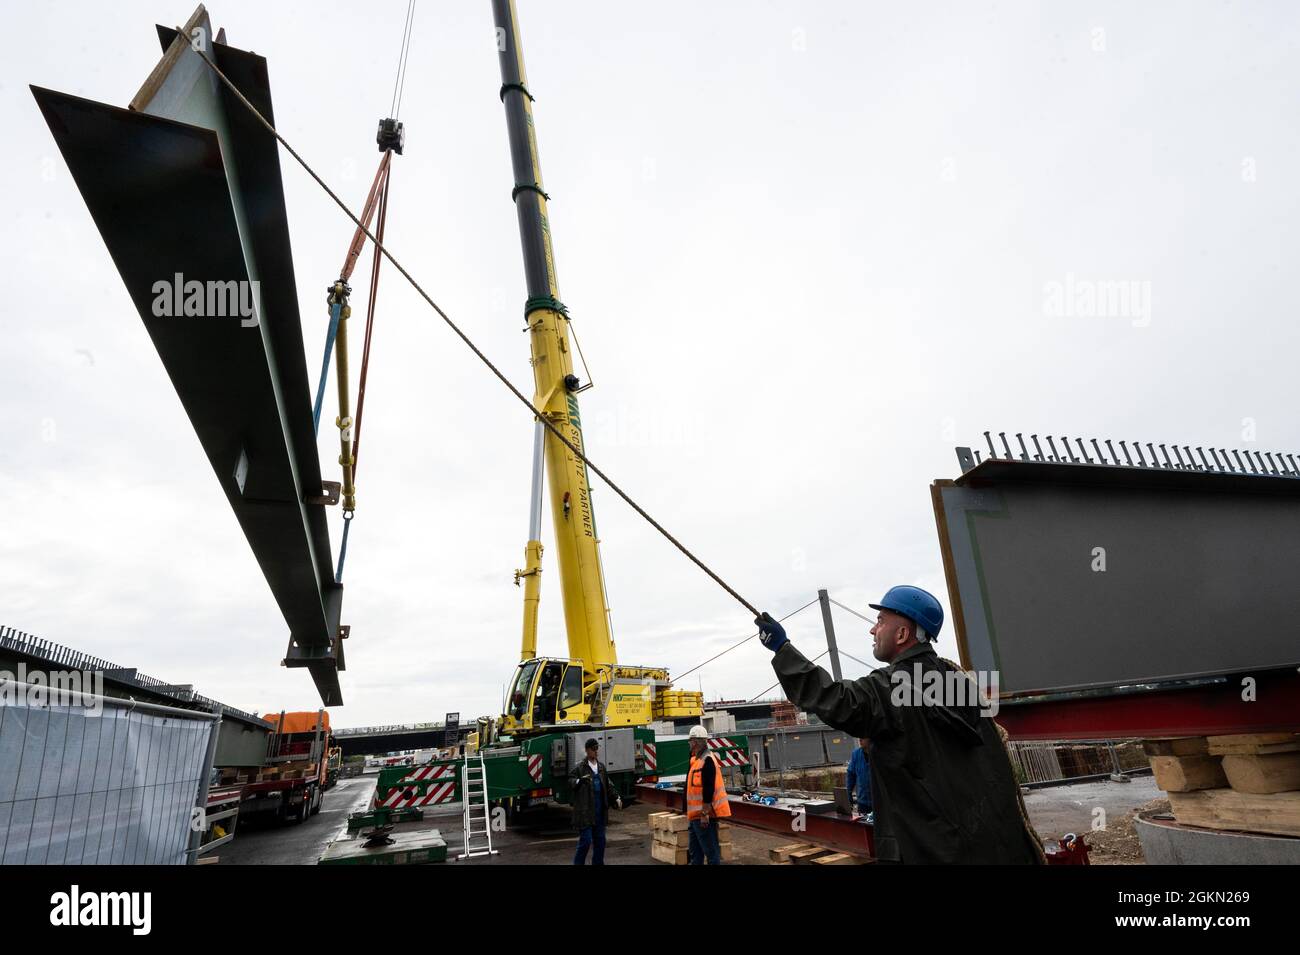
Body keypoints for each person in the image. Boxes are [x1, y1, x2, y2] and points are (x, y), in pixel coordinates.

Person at [755, 585, 1044, 865]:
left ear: (903, 633)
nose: (872, 629)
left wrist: (782, 649)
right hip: (992, 846)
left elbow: (835, 699)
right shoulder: (961, 684)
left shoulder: (891, 687)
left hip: (931, 851)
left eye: (880, 621)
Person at [683, 725, 731, 864]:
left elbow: (708, 788)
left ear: (696, 742)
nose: (689, 744)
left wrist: (705, 814)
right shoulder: (696, 761)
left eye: (690, 741)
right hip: (694, 818)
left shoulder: (707, 760)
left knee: (711, 853)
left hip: (703, 818)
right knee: (695, 854)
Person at [570, 737, 621, 865]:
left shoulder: (602, 768)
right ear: (587, 750)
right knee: (585, 842)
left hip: (600, 813)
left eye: (597, 748)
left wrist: (616, 797)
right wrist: (579, 781)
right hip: (585, 813)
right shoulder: (580, 768)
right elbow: (570, 781)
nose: (596, 751)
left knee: (600, 842)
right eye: (594, 749)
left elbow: (608, 785)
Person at [845, 737, 872, 818]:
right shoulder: (856, 754)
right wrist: (848, 794)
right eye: (859, 737)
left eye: (863, 737)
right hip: (863, 802)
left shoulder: (879, 753)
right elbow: (851, 775)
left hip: (880, 802)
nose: (860, 739)